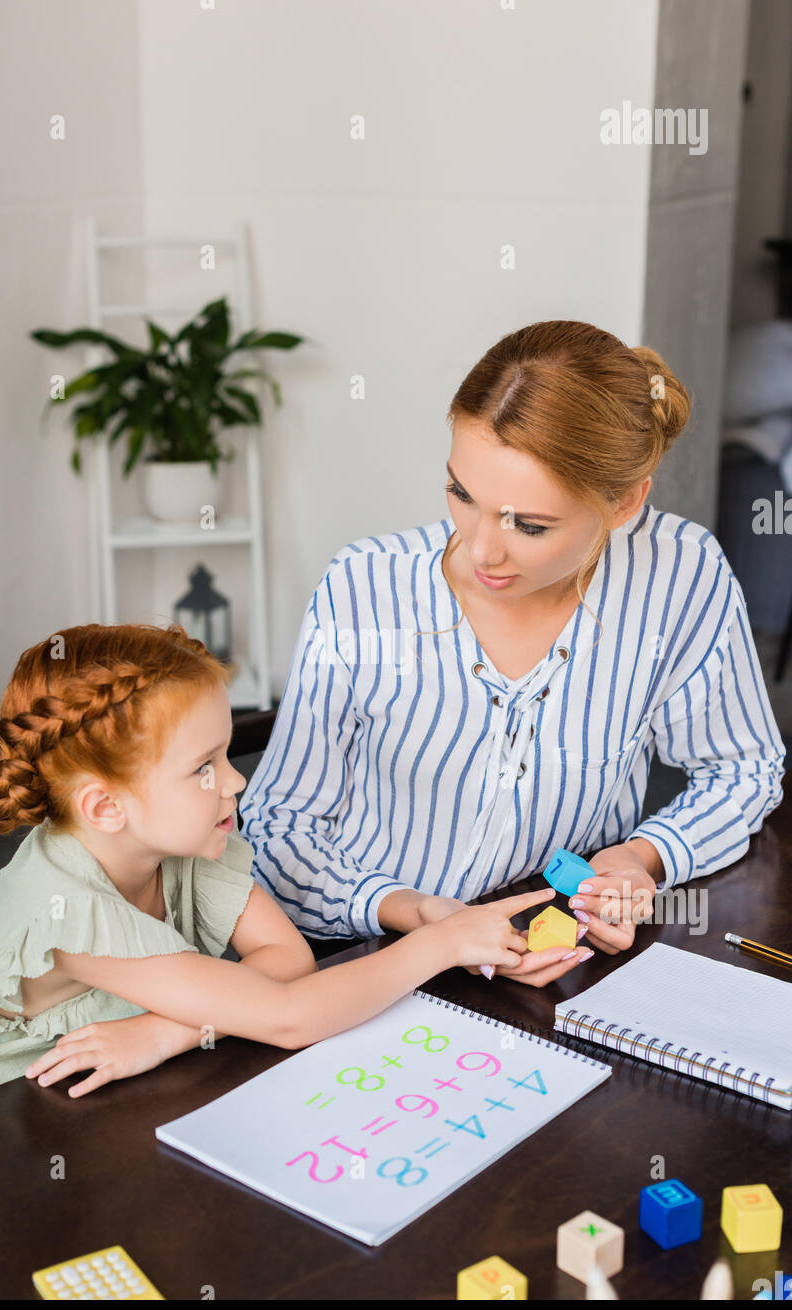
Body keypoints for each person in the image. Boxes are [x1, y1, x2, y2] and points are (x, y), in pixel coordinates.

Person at [240, 320, 786, 969]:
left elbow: (741, 770)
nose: (481, 549)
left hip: (549, 952)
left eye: (528, 524)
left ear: (624, 502)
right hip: (357, 950)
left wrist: (637, 861)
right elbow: (278, 828)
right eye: (461, 494)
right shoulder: (364, 587)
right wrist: (419, 915)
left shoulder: (679, 575)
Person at [0, 622, 573, 1112]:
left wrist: (163, 1032)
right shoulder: (64, 909)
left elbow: (284, 960)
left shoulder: (180, 838)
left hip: (99, 1080)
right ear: (105, 805)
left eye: (227, 756)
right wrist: (436, 944)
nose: (235, 782)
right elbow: (288, 1015)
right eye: (203, 767)